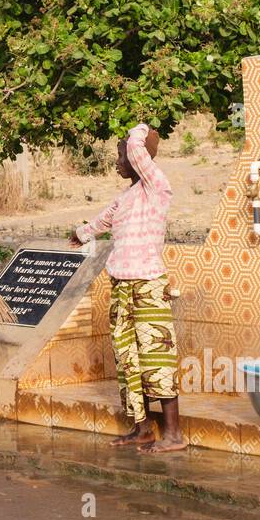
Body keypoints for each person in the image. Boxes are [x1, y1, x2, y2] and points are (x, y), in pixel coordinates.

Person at [69, 123, 183, 454]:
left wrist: (139, 128)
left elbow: (136, 147)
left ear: (139, 157)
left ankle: (174, 434)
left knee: (157, 358)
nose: (117, 161)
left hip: (148, 284)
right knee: (128, 359)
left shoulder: (157, 186)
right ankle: (142, 428)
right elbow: (101, 222)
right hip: (121, 286)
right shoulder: (126, 198)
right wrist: (82, 234)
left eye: (120, 155)